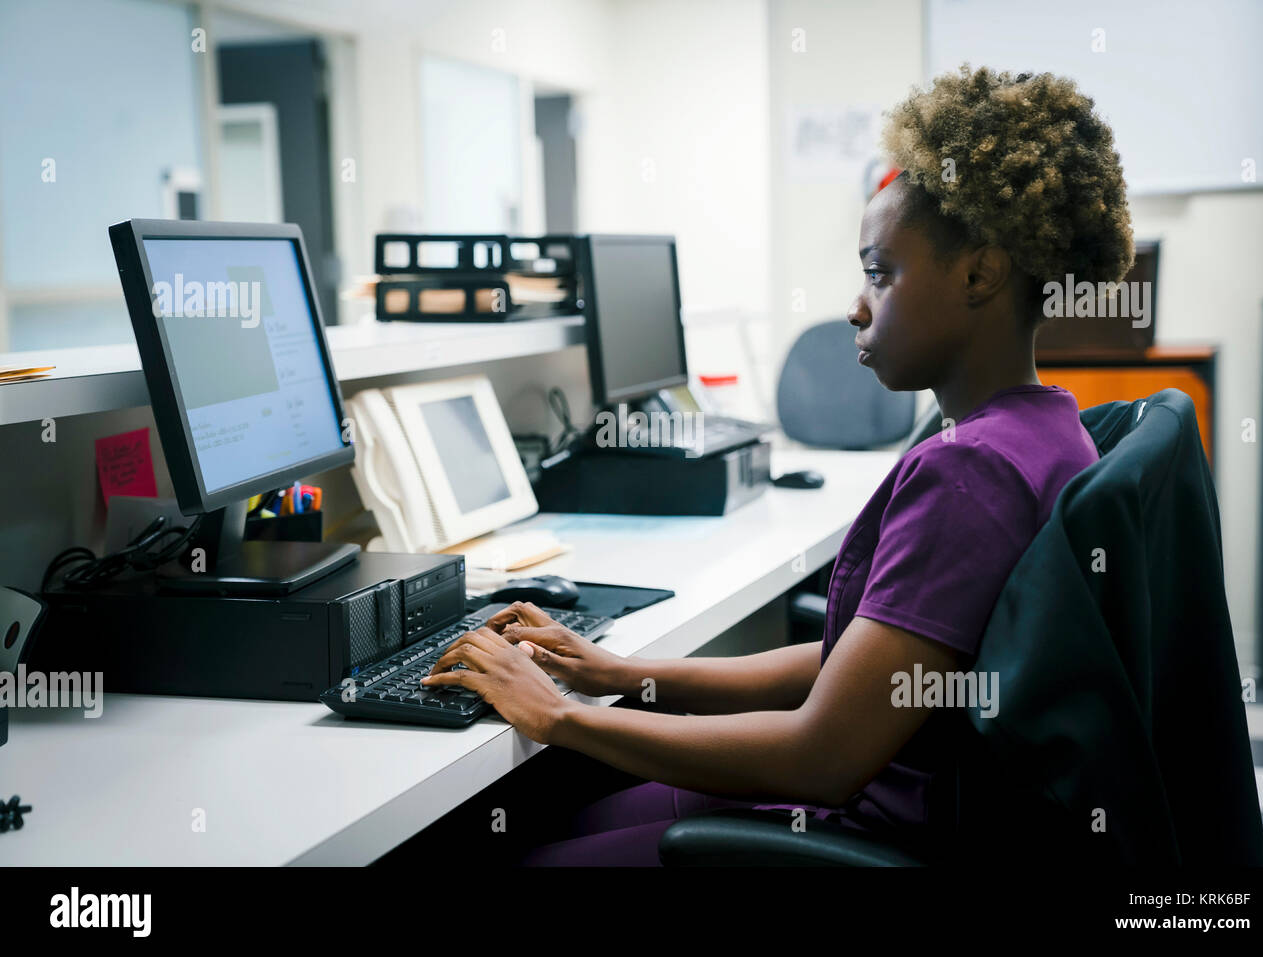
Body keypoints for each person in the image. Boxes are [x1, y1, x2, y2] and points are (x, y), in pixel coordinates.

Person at [421, 65, 1135, 865]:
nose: (856, 305)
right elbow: (855, 664)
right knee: (556, 808)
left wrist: (557, 717)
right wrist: (622, 673)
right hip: (890, 793)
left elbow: (822, 758)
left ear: (979, 273)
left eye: (879, 272)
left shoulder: (970, 475)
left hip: (861, 820)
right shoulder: (1049, 432)